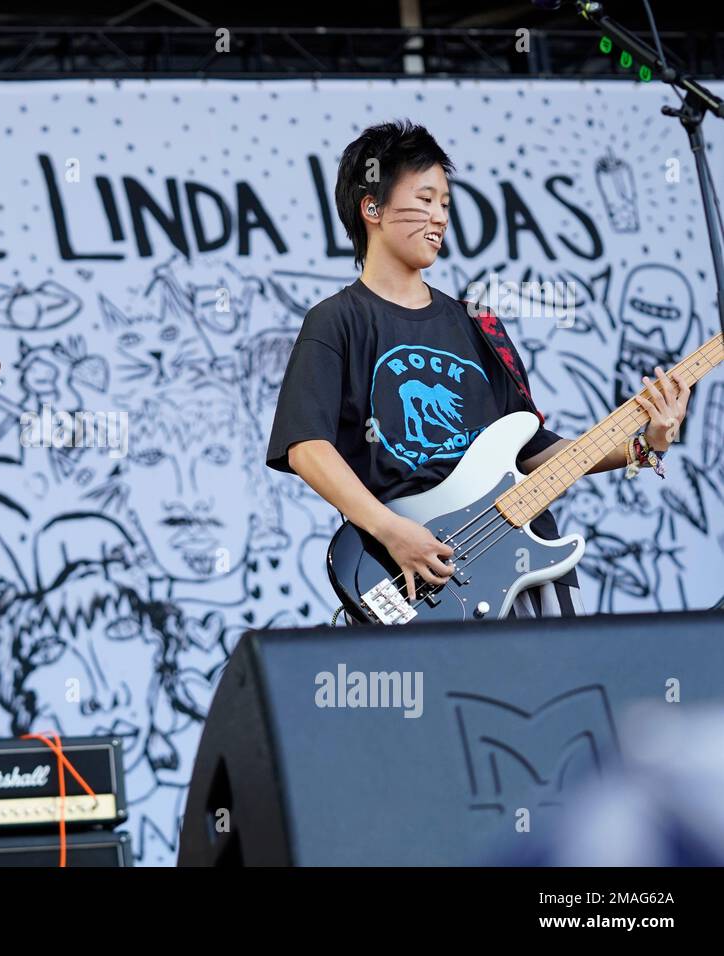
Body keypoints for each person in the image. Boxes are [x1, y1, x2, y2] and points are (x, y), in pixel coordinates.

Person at [265, 119, 693, 620]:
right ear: (372, 208)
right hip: (408, 570)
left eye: (445, 203)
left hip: (517, 559)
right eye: (424, 199)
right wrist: (391, 530)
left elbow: (531, 449)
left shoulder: (478, 324)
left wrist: (643, 446)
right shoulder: (337, 320)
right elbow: (306, 447)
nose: (440, 216)